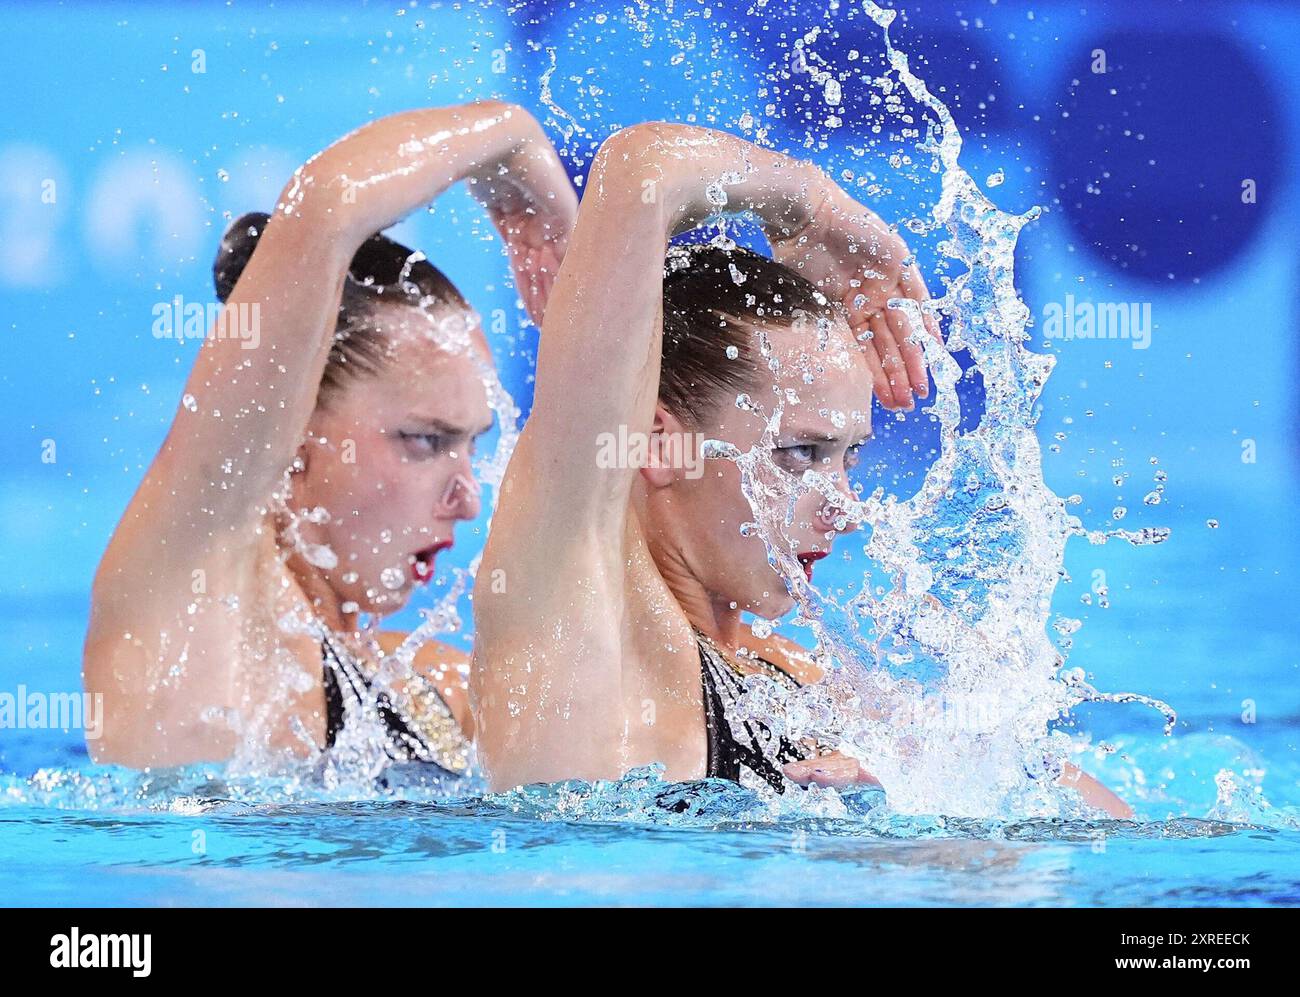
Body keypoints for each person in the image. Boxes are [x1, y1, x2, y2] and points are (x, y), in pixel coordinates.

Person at [470, 122, 1132, 818]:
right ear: (658, 446)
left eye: (849, 457)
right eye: (799, 455)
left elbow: (1102, 829)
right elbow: (642, 170)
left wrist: (907, 778)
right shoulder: (583, 620)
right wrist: (807, 204)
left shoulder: (791, 679)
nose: (845, 509)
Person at [83, 101, 577, 773]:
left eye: (473, 444)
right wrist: (511, 140)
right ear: (290, 439)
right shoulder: (200, 601)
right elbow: (327, 204)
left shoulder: (435, 688)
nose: (467, 499)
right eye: (425, 442)